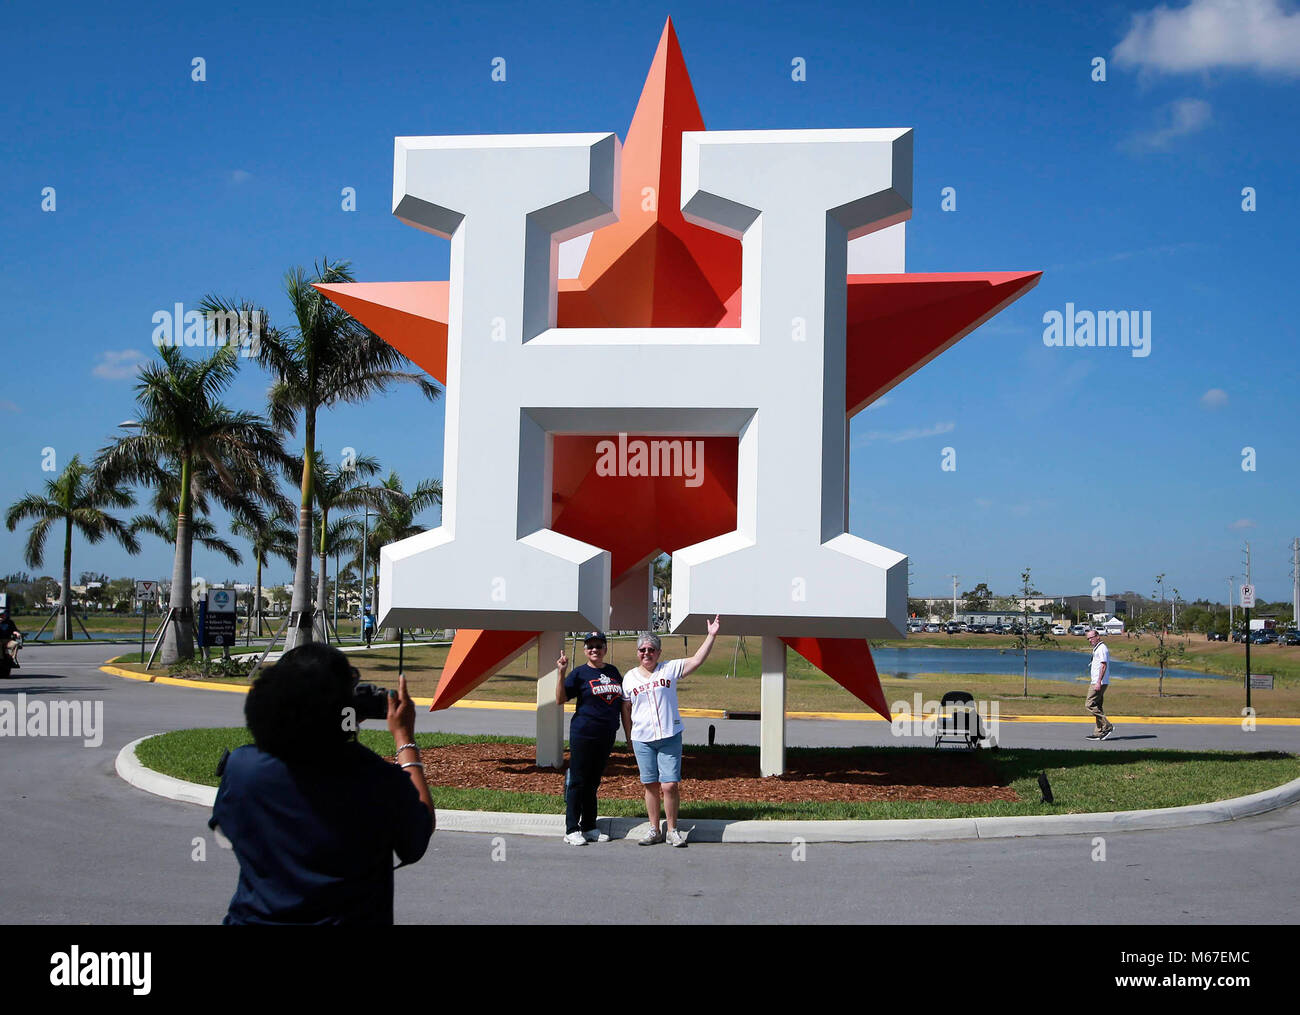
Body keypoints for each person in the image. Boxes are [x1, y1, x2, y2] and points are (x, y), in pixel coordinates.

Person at [209, 643, 434, 925]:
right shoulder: (377, 779)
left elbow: (228, 833)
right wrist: (404, 737)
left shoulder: (242, 768)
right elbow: (416, 839)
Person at [621, 616, 720, 846]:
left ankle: (672, 830)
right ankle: (654, 829)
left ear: (658, 652)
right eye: (643, 650)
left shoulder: (669, 668)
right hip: (642, 739)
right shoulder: (629, 678)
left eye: (651, 649)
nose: (647, 653)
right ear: (637, 653)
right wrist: (628, 736)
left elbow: (696, 660)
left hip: (669, 736)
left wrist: (711, 635)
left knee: (670, 785)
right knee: (650, 785)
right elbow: (626, 709)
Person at [555, 630, 631, 845]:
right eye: (590, 646)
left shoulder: (613, 672)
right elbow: (560, 699)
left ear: (605, 649)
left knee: (593, 782)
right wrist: (561, 673)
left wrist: (629, 736)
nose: (595, 649)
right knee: (578, 781)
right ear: (585, 650)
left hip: (606, 735)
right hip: (583, 734)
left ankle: (589, 826)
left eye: (599, 646)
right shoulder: (579, 673)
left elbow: (622, 703)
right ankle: (571, 829)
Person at [1084, 628, 1113, 740]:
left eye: (1091, 638)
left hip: (1099, 682)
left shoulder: (1101, 648)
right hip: (1097, 681)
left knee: (1089, 704)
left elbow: (1103, 665)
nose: (1090, 640)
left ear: (1098, 636)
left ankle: (1107, 726)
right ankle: (1099, 732)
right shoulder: (1098, 648)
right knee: (1098, 706)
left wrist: (1098, 682)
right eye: (1088, 639)